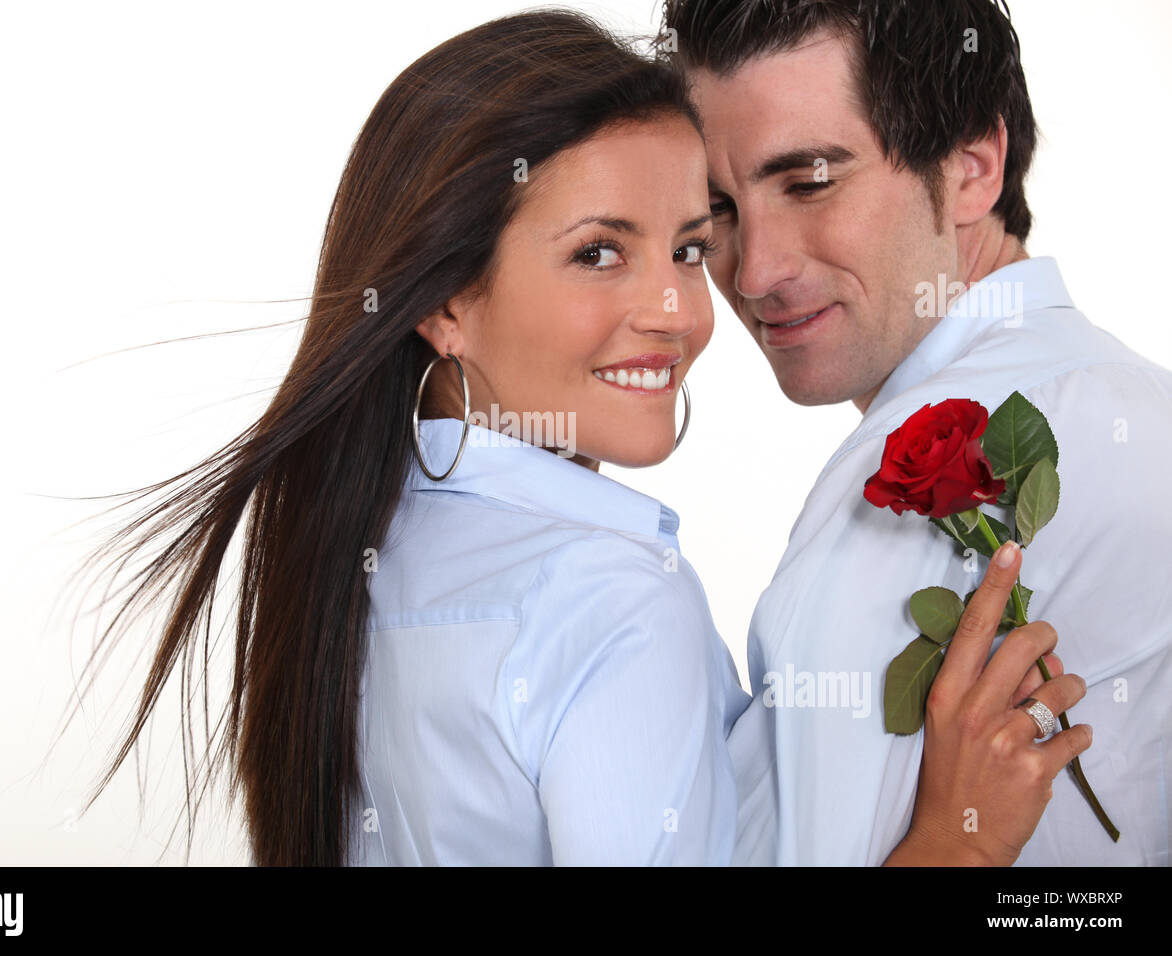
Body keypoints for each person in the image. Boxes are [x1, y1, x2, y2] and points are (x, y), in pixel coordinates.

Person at [70, 8, 1090, 867]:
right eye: (599, 251)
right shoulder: (608, 600)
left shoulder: (367, 553)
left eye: (691, 245)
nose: (683, 308)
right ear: (446, 301)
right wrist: (954, 845)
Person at [661, 0, 1172, 865]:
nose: (752, 269)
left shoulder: (907, 479)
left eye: (811, 181)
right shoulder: (1143, 403)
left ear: (974, 165)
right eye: (717, 207)